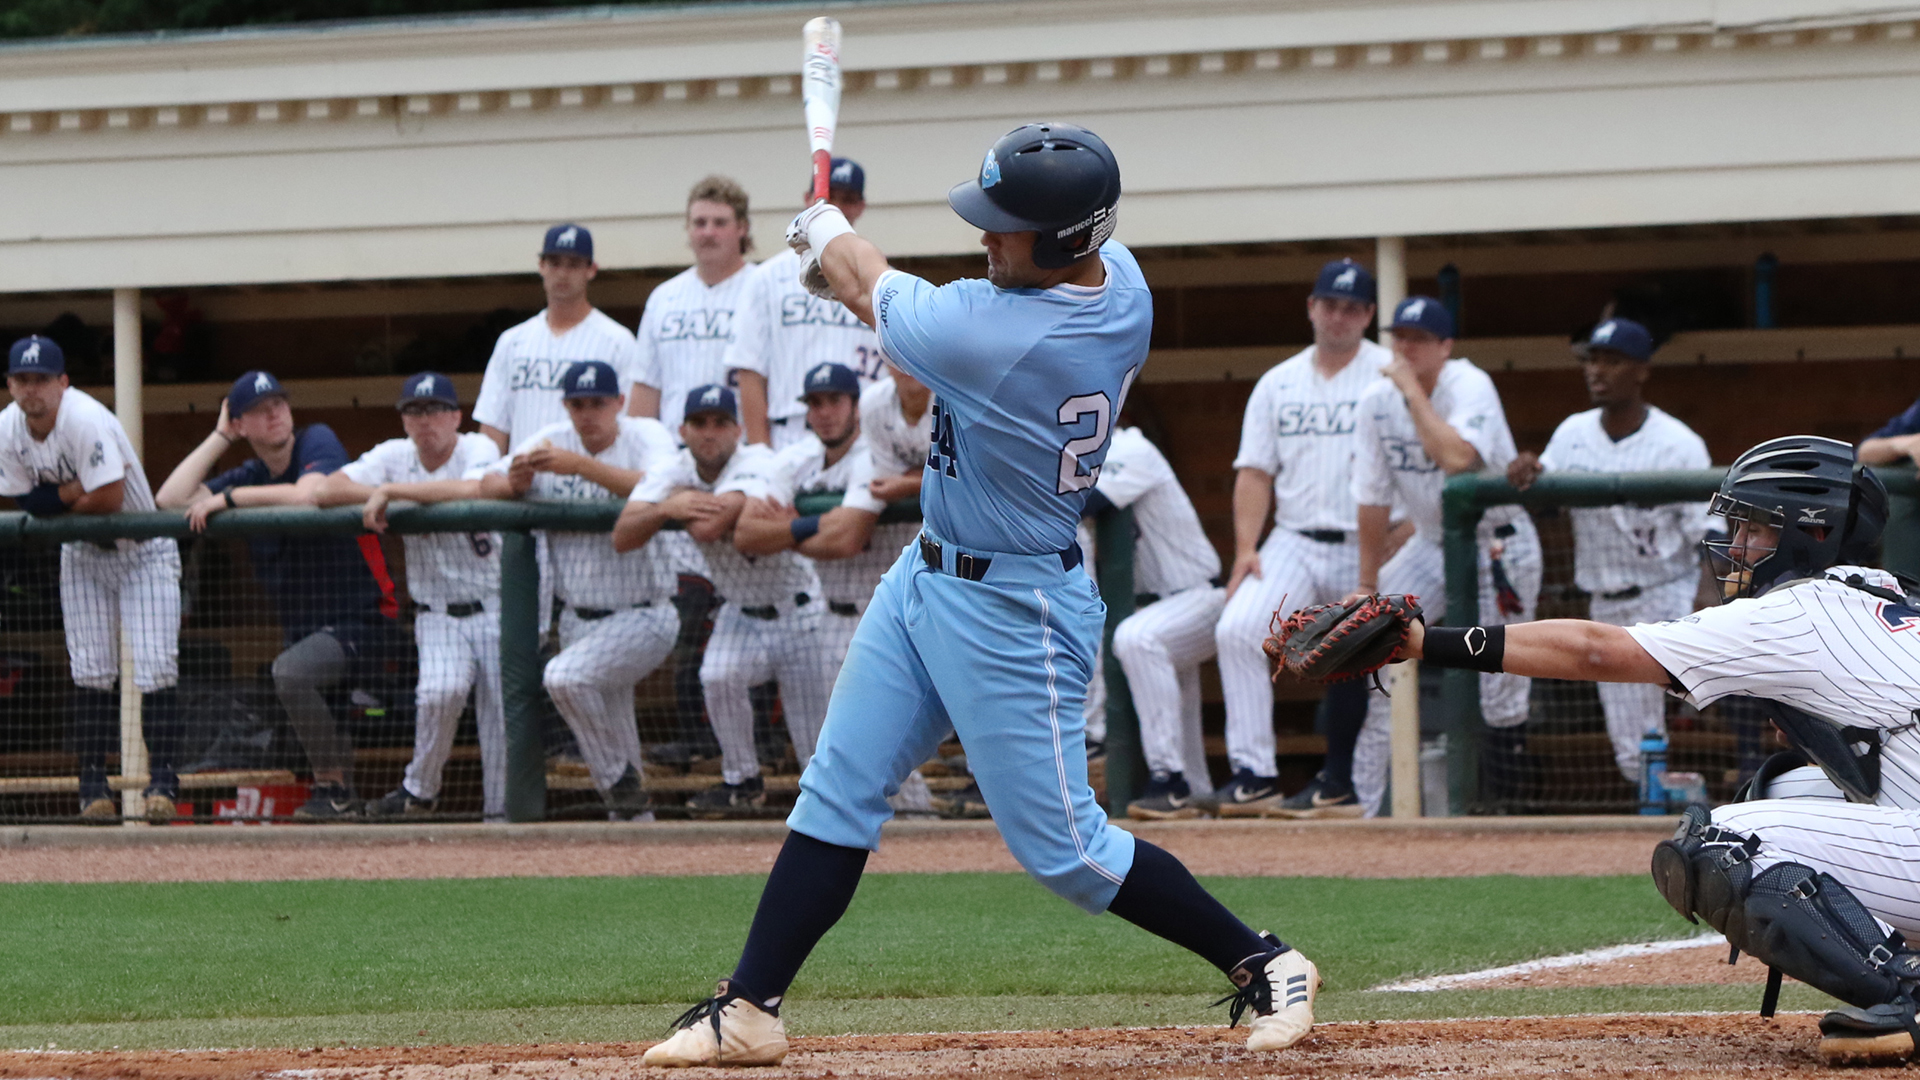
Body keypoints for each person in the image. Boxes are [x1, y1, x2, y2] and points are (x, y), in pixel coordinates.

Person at [644, 122, 1320, 1068]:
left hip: (1018, 611)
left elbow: (869, 278)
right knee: (837, 790)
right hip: (929, 572)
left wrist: (821, 229)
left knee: (1069, 853)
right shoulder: (1120, 284)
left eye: (1005, 227)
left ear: (1060, 242)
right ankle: (750, 1005)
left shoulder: (1004, 330)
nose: (986, 238)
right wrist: (838, 270)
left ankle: (1264, 962)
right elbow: (884, 300)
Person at [1399, 435, 1920, 1066]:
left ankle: (1909, 991)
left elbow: (1597, 649)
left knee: (1722, 845)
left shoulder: (1799, 609)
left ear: (1810, 532)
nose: (1736, 547)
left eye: (1754, 528)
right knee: (1783, 787)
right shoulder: (1893, 595)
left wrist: (1427, 643)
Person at [156, 370, 399, 821]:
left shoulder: (316, 440)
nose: (275, 415)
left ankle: (332, 785)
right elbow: (169, 500)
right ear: (241, 424)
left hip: (366, 618)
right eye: (260, 411)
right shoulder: (249, 470)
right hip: (308, 626)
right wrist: (219, 436)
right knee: (306, 685)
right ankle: (344, 808)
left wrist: (228, 500)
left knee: (288, 674)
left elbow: (309, 495)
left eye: (279, 405)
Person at [1349, 296, 1542, 817]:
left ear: (1445, 346)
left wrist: (1412, 390)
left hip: (1499, 545)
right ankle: (1367, 811)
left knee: (1504, 681)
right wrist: (1366, 583)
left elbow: (1457, 459)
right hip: (1433, 546)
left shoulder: (1469, 383)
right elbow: (1372, 495)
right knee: (1371, 641)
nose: (1405, 348)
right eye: (1399, 338)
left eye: (1418, 339)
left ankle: (1507, 809)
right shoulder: (1374, 401)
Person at [1211, 259, 1388, 817]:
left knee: (1380, 662)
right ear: (1312, 308)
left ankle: (1361, 800)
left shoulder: (1389, 373)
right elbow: (1255, 471)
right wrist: (1245, 549)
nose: (1339, 316)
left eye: (1352, 307)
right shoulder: (1277, 382)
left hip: (1376, 546)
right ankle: (1254, 774)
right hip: (1294, 536)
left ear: (1369, 315)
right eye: (1330, 305)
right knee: (1238, 628)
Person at [1507, 316, 1711, 783]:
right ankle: (1673, 811)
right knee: (1633, 753)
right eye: (1592, 361)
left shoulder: (1678, 443)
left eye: (1612, 361)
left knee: (1723, 698)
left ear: (1641, 370)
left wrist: (1705, 600)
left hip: (1669, 596)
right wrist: (1528, 470)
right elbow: (1546, 501)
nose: (1597, 371)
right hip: (1605, 605)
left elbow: (1710, 535)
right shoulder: (1573, 433)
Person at [732, 363, 939, 815]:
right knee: (837, 747)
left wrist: (788, 528)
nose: (824, 412)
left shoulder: (872, 455)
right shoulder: (793, 460)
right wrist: (812, 528)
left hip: (886, 618)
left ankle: (926, 828)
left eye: (834, 401)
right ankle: (859, 829)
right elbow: (746, 534)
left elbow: (847, 538)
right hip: (829, 618)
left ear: (854, 406)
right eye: (815, 403)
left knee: (888, 743)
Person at [614, 385, 828, 816]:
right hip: (739, 610)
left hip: (797, 611)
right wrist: (663, 509)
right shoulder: (673, 469)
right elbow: (623, 535)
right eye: (699, 423)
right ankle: (742, 781)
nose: (709, 433)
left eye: (720, 423)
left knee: (813, 742)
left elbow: (709, 527)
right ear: (683, 430)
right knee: (717, 675)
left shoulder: (759, 460)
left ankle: (826, 808)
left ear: (738, 430)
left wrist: (680, 507)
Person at [478, 360, 677, 820]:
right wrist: (515, 481)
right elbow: (488, 481)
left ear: (619, 403)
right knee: (617, 732)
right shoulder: (552, 439)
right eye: (577, 403)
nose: (587, 413)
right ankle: (636, 828)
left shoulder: (644, 435)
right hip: (578, 618)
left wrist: (580, 467)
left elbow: (663, 487)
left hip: (644, 614)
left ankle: (614, 780)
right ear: (566, 406)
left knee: (563, 678)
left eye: (598, 402)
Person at [0, 336, 183, 823]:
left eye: (41, 379)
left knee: (155, 667)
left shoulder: (86, 418)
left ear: (63, 383)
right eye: (22, 379)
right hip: (82, 554)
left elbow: (109, 499)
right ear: (10, 384)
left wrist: (58, 498)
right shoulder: (7, 428)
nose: (31, 389)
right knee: (90, 671)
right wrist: (77, 488)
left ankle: (162, 784)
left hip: (142, 552)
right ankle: (92, 789)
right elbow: (25, 503)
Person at [315, 373, 506, 820]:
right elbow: (326, 491)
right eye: (414, 412)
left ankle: (503, 816)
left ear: (457, 416)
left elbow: (475, 489)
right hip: (436, 610)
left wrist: (394, 493)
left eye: (436, 410)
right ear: (403, 420)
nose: (426, 421)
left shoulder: (478, 448)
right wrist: (382, 490)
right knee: (440, 692)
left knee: (500, 722)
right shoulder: (393, 455)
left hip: (496, 604)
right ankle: (419, 791)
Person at [1090, 423, 1223, 819]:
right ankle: (1195, 796)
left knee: (1137, 639)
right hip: (1157, 605)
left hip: (1198, 595)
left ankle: (1169, 780)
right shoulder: (1074, 460)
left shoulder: (1131, 448)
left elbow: (1086, 503)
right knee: (1180, 716)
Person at [726, 159, 890, 449]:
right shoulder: (766, 278)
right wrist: (760, 451)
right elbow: (749, 371)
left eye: (848, 199)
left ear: (861, 206)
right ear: (808, 199)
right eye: (831, 197)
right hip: (786, 434)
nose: (838, 207)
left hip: (862, 440)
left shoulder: (877, 276)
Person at [472, 223, 640, 454]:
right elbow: (493, 426)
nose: (562, 273)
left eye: (573, 264)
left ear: (591, 270)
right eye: (555, 263)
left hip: (590, 482)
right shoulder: (512, 341)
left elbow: (629, 425)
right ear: (541, 266)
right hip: (522, 478)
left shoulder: (618, 341)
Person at [631, 176, 757, 433]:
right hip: (675, 450)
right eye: (699, 223)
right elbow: (646, 386)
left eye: (720, 223)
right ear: (687, 228)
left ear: (742, 227)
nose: (708, 232)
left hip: (743, 451)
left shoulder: (762, 288)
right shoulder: (663, 298)